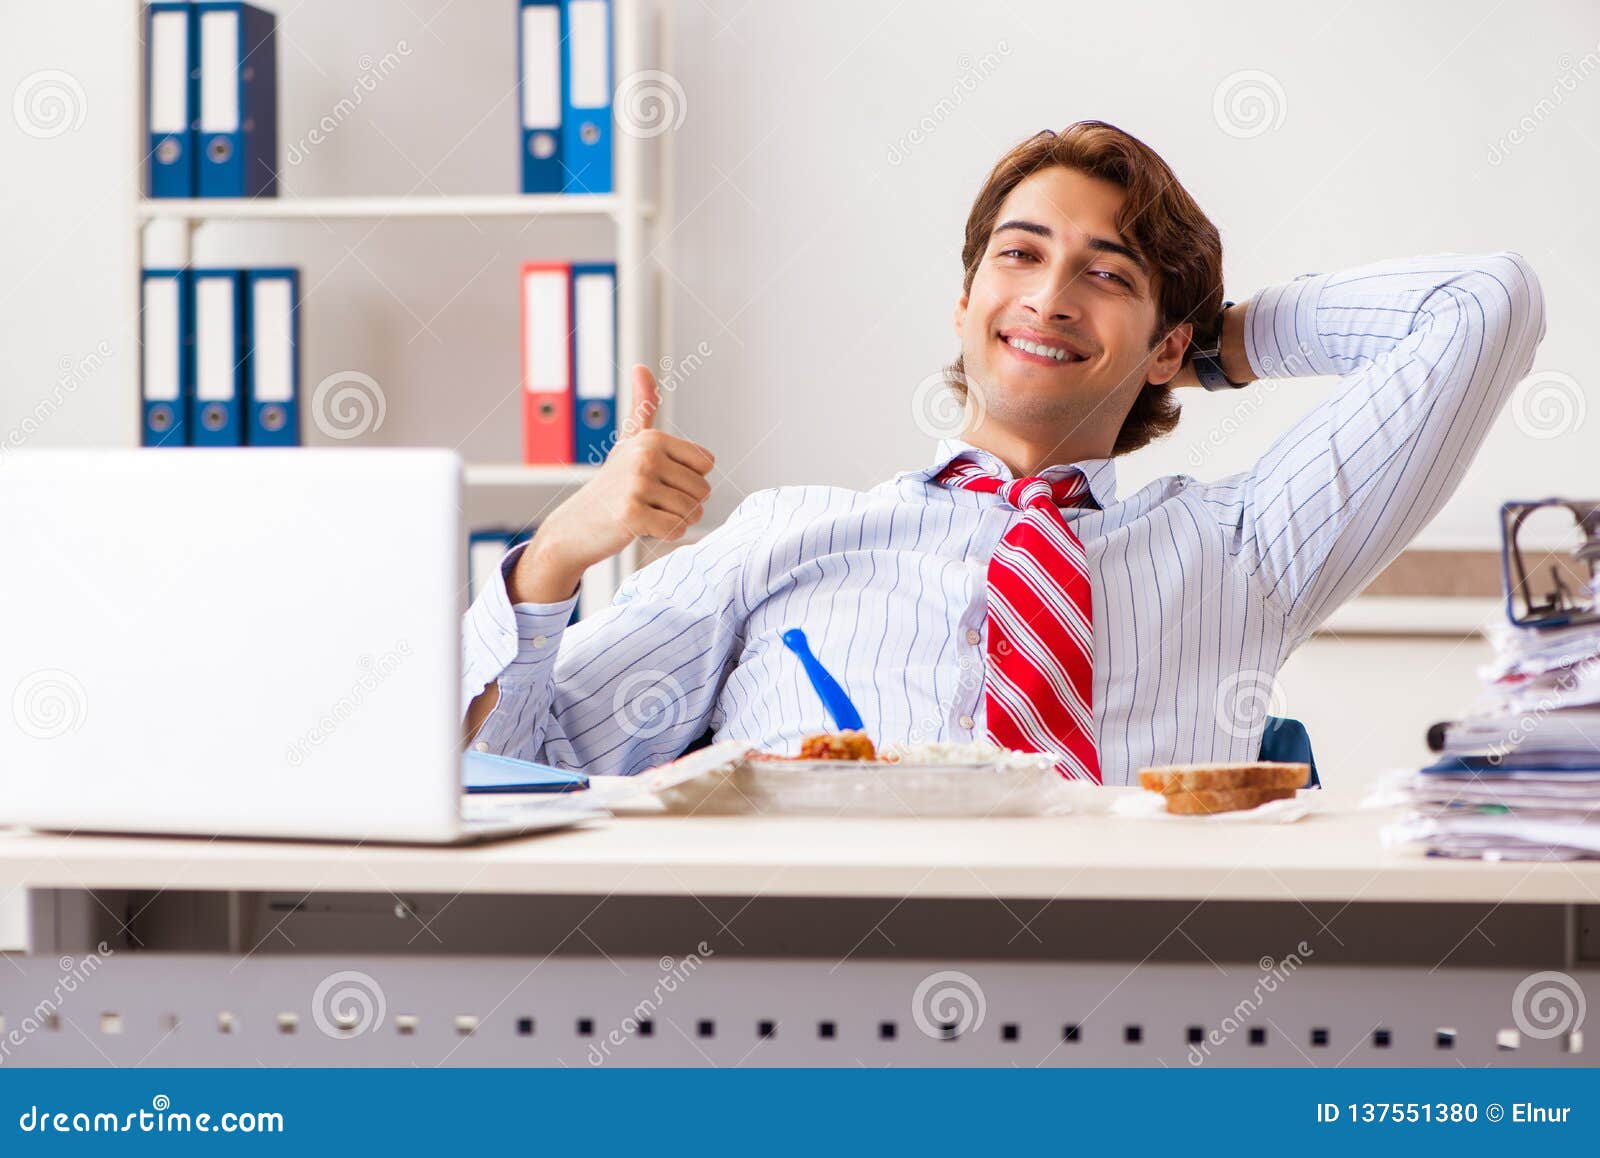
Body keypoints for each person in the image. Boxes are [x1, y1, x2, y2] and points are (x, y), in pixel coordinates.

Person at [461, 120, 1546, 785]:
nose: (1046, 295)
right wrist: (560, 549)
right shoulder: (785, 533)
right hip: (808, 1020)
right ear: (966, 301)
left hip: (1129, 1033)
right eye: (1018, 257)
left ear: (1166, 340)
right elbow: (517, 768)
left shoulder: (1243, 547)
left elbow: (1482, 305)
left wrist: (1211, 342)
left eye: (1107, 274)